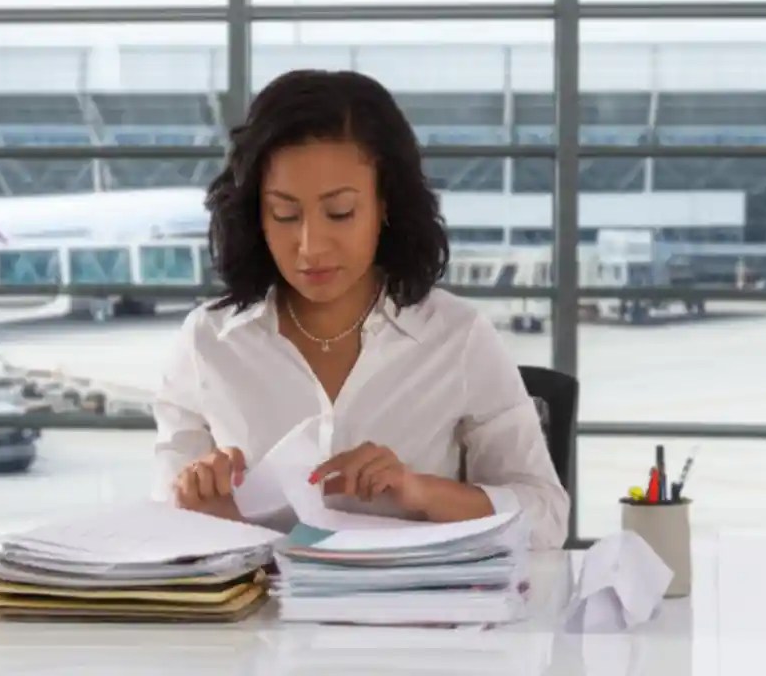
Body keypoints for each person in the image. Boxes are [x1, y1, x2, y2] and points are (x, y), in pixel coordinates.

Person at [151, 69, 570, 549]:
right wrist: (203, 514)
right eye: (284, 214)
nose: (309, 246)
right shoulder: (207, 343)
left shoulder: (458, 336)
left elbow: (547, 519)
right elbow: (164, 527)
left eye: (341, 213)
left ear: (385, 204)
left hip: (415, 619)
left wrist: (421, 493)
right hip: (261, 622)